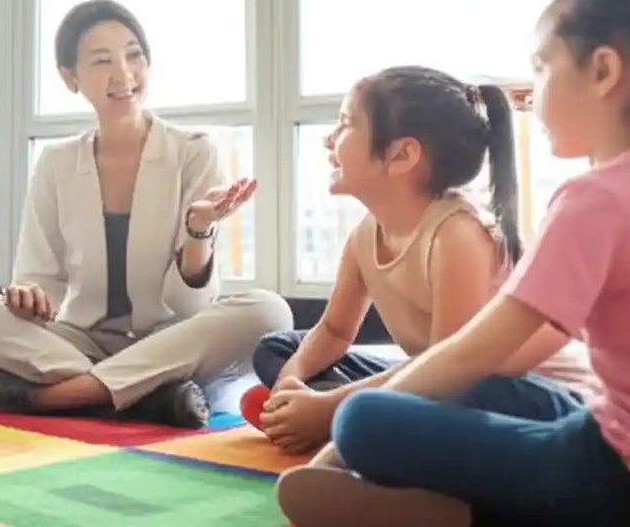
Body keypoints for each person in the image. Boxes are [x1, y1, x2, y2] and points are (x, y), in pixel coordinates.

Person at [276, 0, 630, 527]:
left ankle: (461, 512)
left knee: (362, 418)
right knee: (473, 400)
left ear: (602, 71)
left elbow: (468, 354)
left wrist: (335, 448)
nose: (532, 93)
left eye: (542, 66)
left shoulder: (597, 199)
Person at [0, 0, 293, 428]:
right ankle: (144, 395)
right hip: (77, 341)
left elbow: (189, 305)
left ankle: (55, 397)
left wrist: (198, 229)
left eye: (134, 55)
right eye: (102, 61)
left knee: (269, 312)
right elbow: (40, 280)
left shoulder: (193, 152)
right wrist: (29, 297)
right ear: (70, 77)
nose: (123, 74)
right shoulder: (57, 163)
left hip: (169, 339)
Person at [250, 66, 593, 453]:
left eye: (345, 124)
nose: (329, 139)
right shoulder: (365, 236)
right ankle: (323, 413)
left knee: (450, 392)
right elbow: (333, 331)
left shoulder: (457, 234)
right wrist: (290, 380)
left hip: (531, 395)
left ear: (401, 155)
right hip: (434, 379)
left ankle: (344, 418)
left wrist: (329, 406)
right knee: (276, 350)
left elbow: (449, 367)